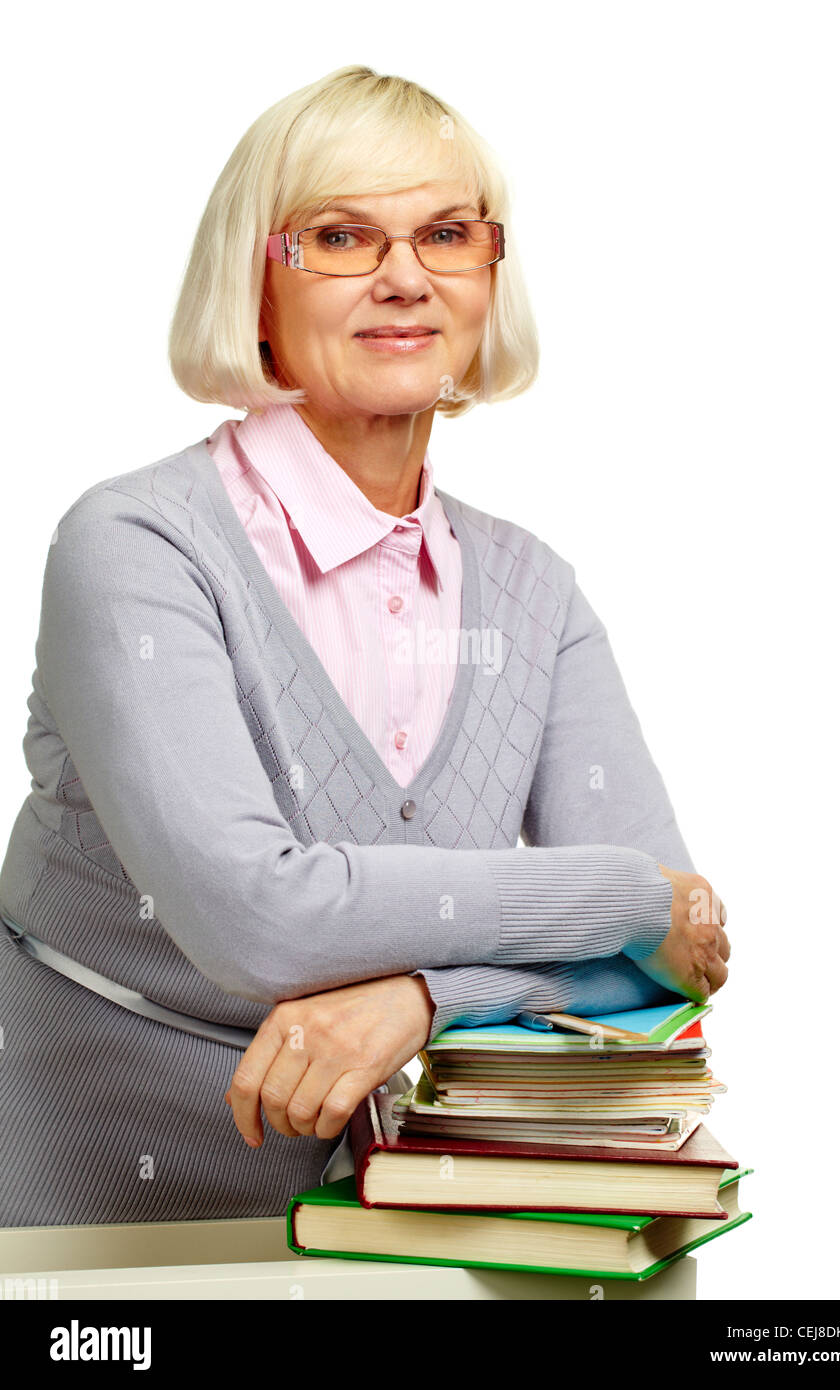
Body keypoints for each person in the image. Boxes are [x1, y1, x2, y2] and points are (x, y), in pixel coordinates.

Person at [0, 64, 729, 1227]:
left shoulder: (535, 589)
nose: (402, 278)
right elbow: (261, 917)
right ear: (256, 284)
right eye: (339, 237)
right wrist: (626, 894)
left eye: (445, 233)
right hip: (97, 1226)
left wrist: (424, 998)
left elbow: (676, 960)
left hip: (413, 1231)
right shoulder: (133, 545)